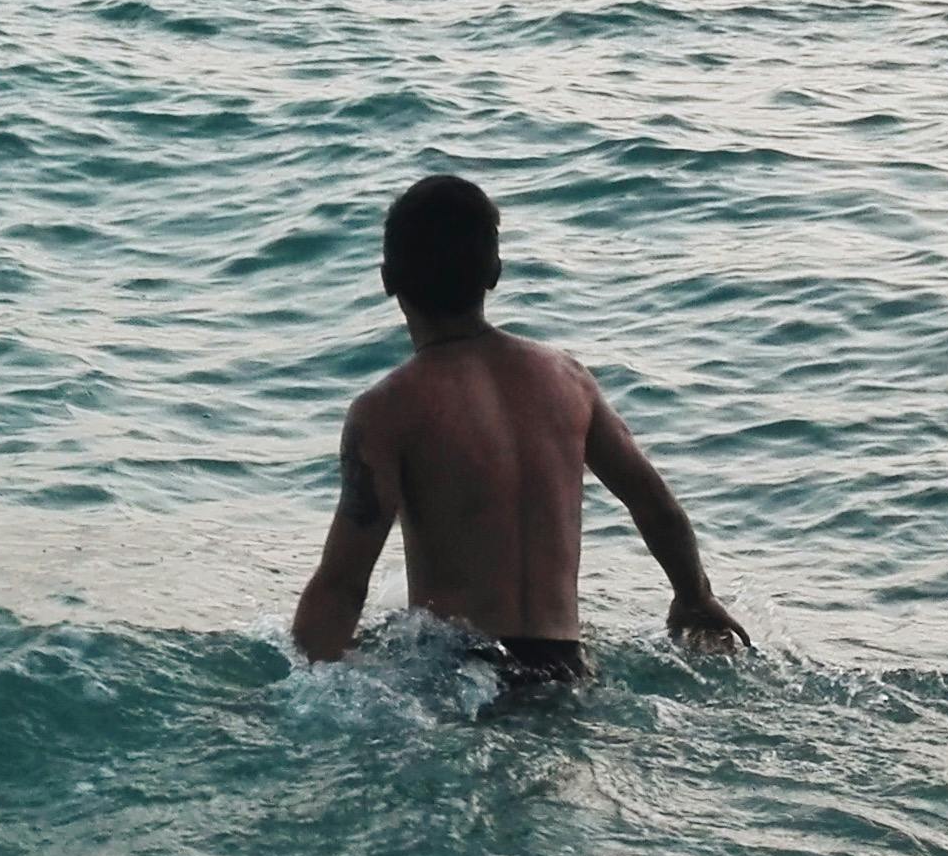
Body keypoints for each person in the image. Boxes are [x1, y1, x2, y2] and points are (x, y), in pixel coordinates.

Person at [290, 174, 747, 690]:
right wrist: (695, 596)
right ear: (495, 272)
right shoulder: (568, 380)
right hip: (566, 669)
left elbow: (343, 585)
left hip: (459, 671)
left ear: (387, 279)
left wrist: (299, 685)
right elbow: (654, 504)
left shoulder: (387, 409)